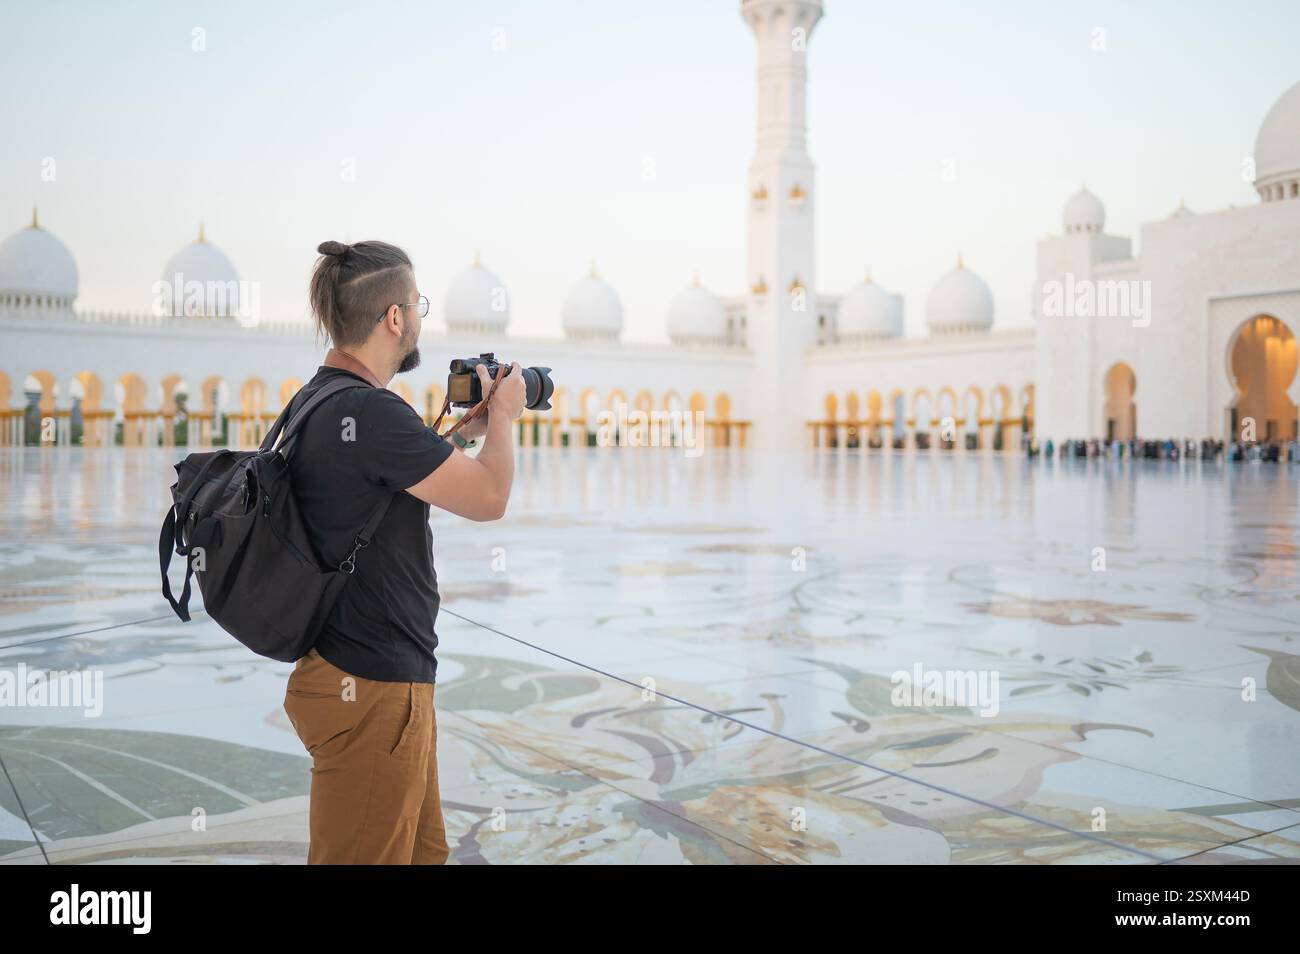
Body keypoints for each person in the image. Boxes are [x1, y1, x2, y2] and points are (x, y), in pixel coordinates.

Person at [280, 240, 527, 864]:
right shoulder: (371, 413)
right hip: (371, 687)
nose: (420, 315)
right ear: (395, 318)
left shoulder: (323, 399)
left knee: (422, 854)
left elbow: (384, 479)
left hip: (375, 681)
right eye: (417, 303)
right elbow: (490, 496)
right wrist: (506, 418)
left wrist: (460, 434)